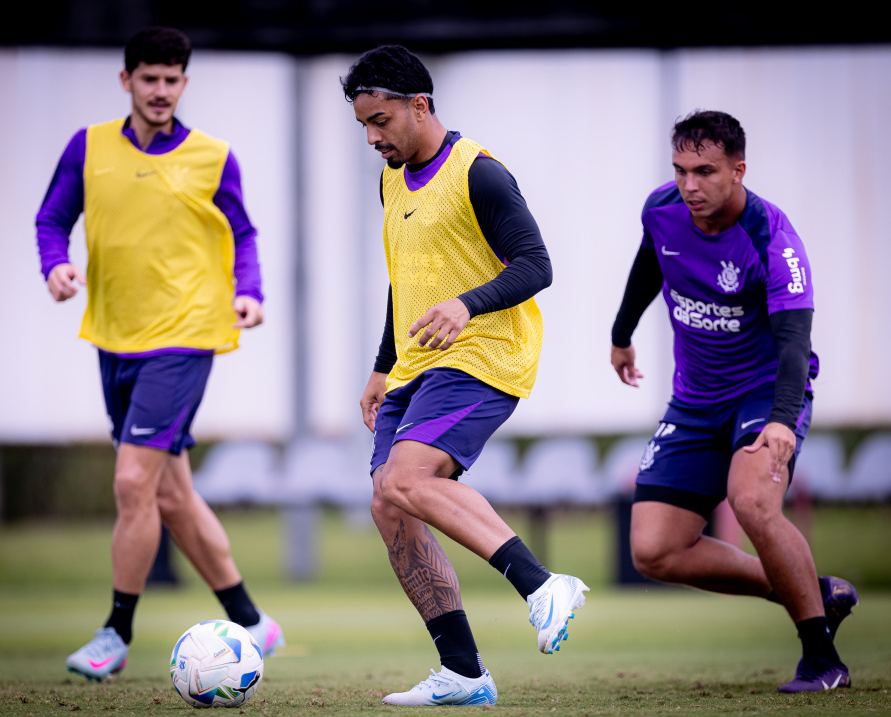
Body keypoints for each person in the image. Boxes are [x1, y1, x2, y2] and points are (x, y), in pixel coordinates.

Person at [341, 45, 588, 707]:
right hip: (414, 366)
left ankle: (542, 584)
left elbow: (537, 265)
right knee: (389, 504)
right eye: (363, 123)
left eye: (381, 119)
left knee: (405, 477)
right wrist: (379, 366)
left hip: (483, 355)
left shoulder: (480, 174)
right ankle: (463, 672)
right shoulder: (390, 175)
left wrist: (466, 303)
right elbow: (406, 280)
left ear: (419, 105)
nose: (372, 136)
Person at [35, 26, 284, 681]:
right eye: (149, 78)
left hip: (186, 336)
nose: (161, 91)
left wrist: (249, 292)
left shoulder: (212, 156)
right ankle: (252, 618)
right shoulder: (87, 148)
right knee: (171, 495)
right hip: (113, 337)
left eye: (172, 80)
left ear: (184, 83)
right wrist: (55, 266)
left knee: (130, 481)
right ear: (127, 81)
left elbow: (243, 232)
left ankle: (114, 633)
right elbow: (51, 220)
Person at [610, 110, 856, 693]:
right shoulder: (662, 208)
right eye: (680, 170)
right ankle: (810, 596)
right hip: (693, 401)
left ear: (738, 170)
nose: (689, 185)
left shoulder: (774, 239)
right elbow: (651, 261)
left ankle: (823, 659)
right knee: (655, 551)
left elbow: (796, 343)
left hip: (763, 393)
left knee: (753, 503)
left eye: (704, 171)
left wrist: (781, 421)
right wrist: (621, 335)